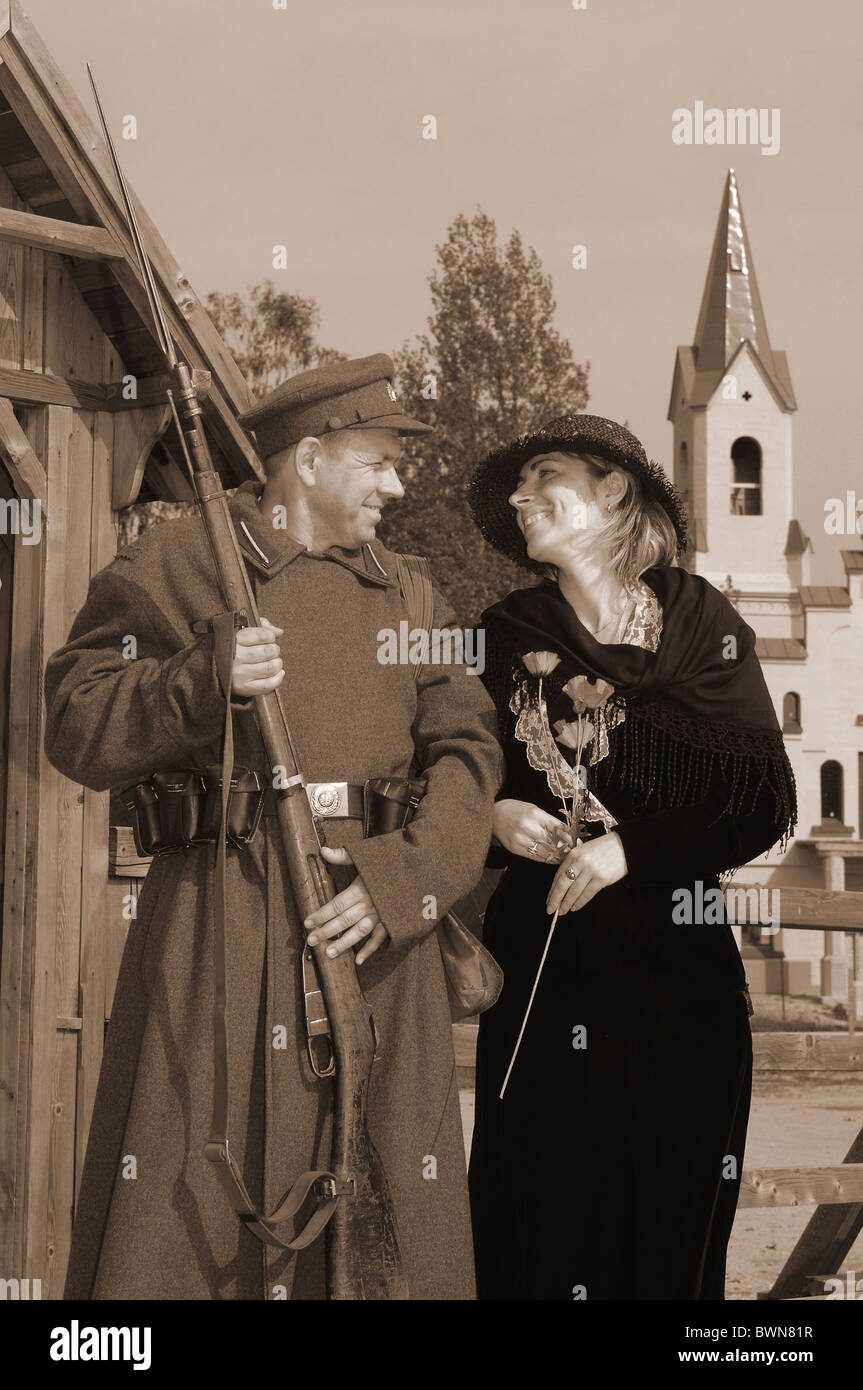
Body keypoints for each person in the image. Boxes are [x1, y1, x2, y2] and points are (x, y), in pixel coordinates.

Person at [45, 353, 502, 1300]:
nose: (397, 484)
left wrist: (402, 880)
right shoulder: (178, 565)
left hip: (377, 944)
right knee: (183, 1215)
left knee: (391, 1230)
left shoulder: (413, 593)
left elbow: (470, 753)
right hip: (219, 930)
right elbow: (75, 721)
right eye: (377, 462)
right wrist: (198, 684)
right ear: (309, 458)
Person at [466, 414, 797, 1301]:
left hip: (677, 973)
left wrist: (628, 851)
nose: (518, 494)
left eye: (544, 474)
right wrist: (493, 813)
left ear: (612, 488)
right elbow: (446, 771)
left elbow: (760, 801)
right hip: (545, 969)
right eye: (518, 481)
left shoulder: (701, 620)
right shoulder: (500, 632)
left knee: (669, 1214)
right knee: (541, 1209)